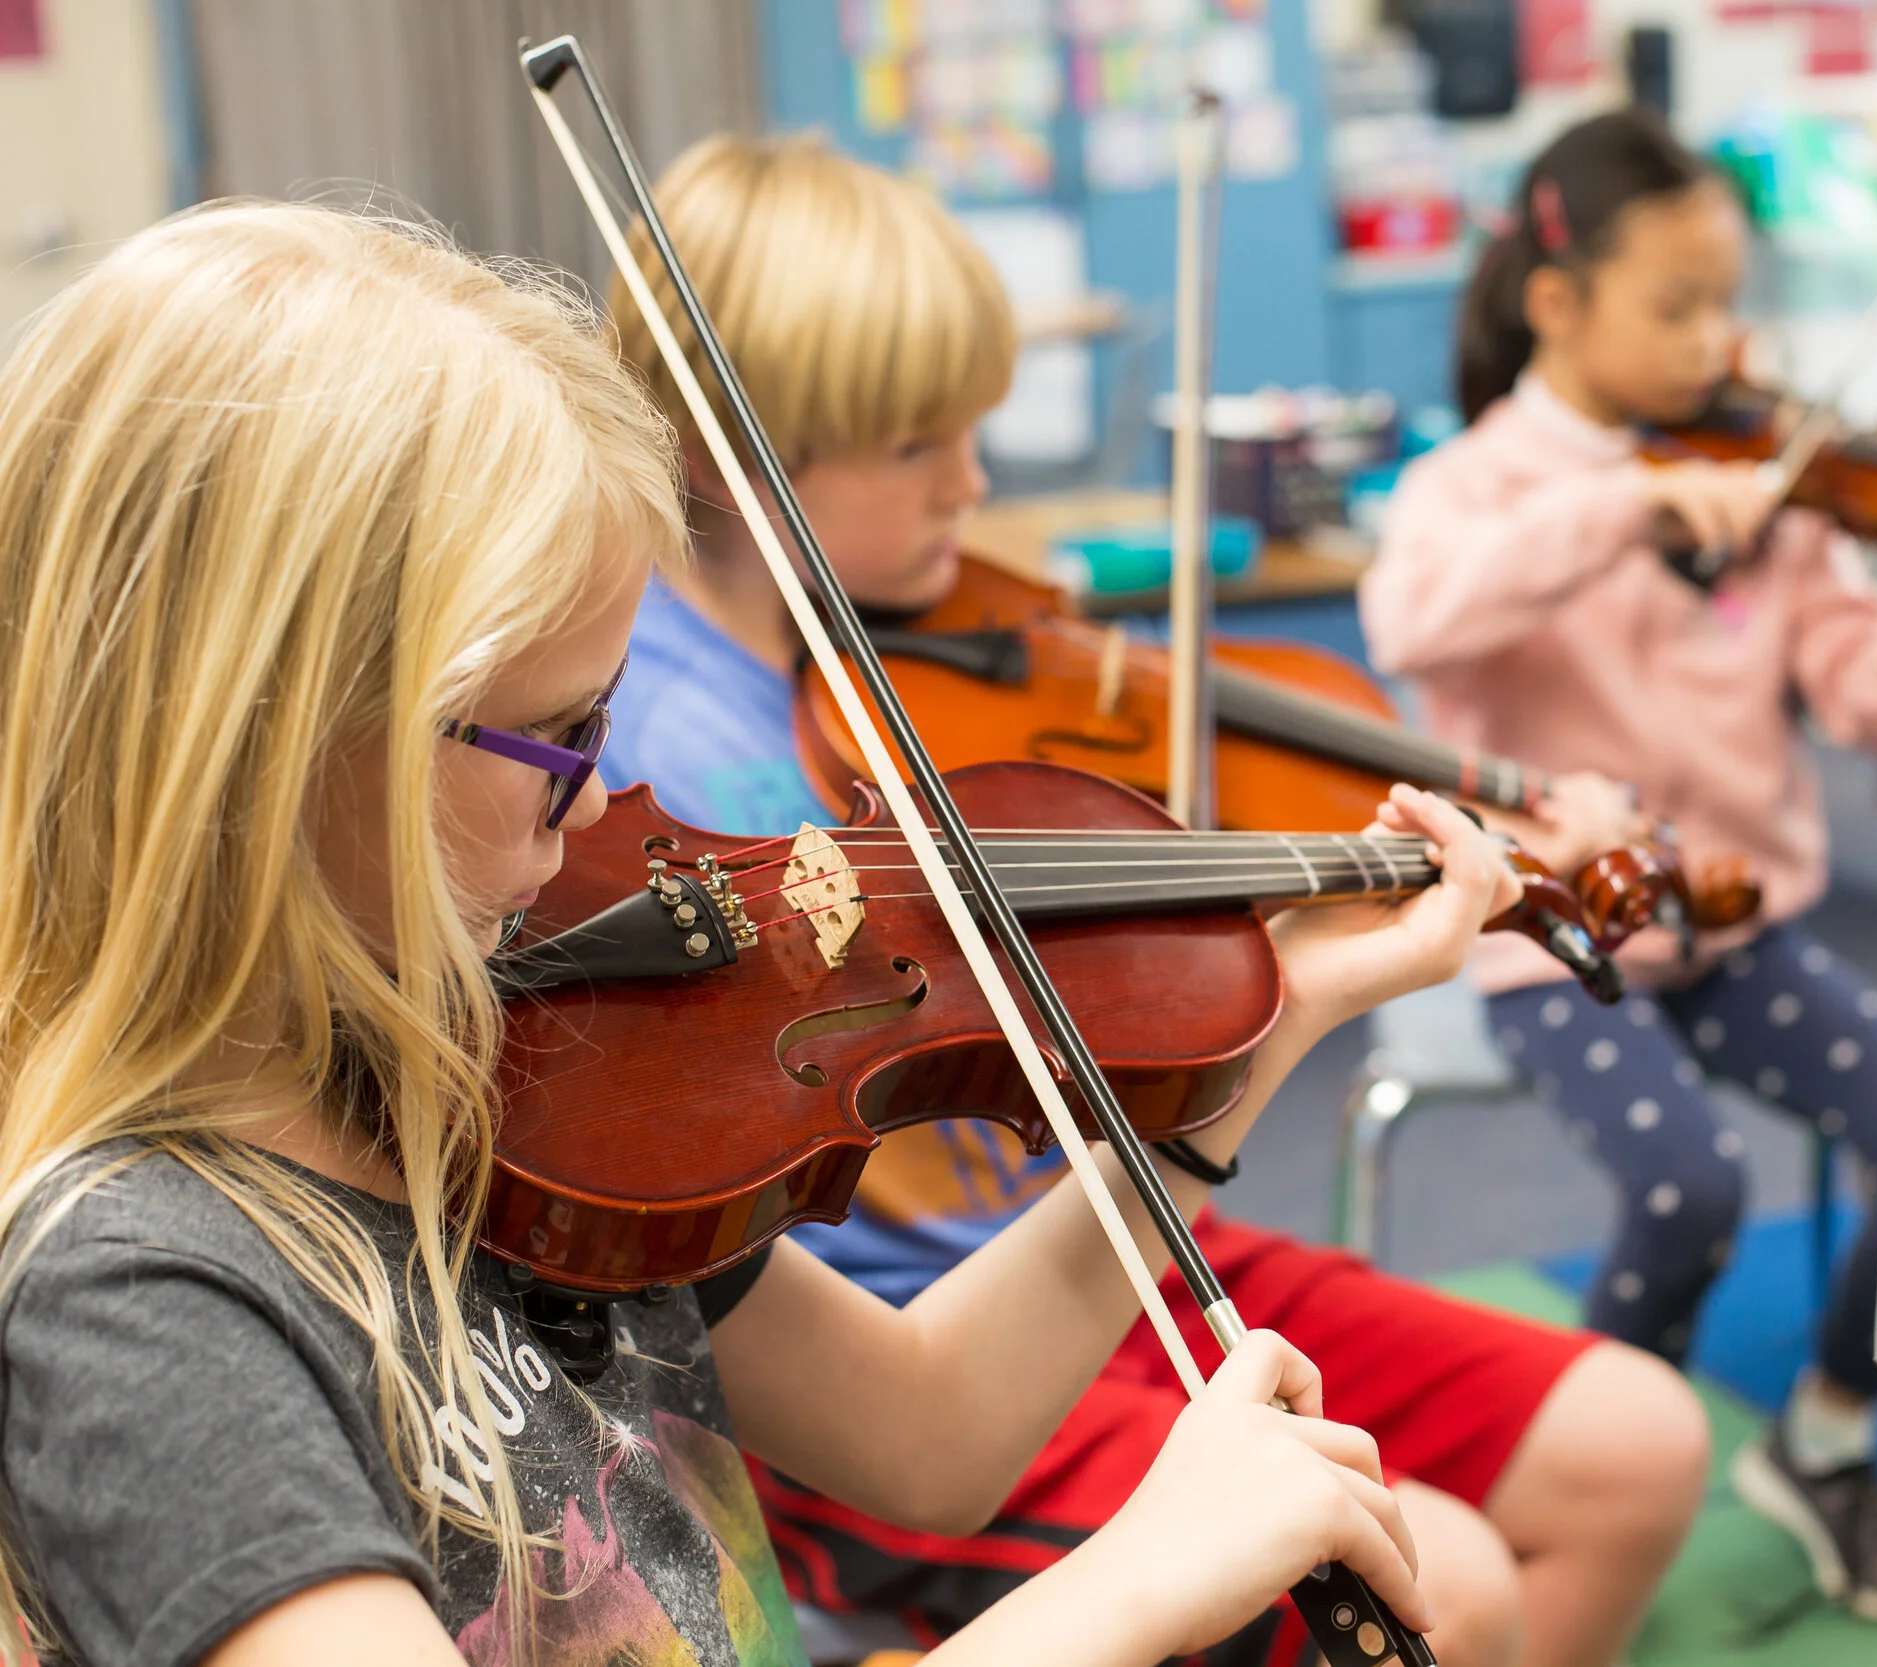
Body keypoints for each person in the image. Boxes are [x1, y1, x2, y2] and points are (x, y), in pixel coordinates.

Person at [0, 200, 1527, 1667]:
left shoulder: (494, 1078)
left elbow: (927, 1429)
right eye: (559, 732)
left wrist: (1268, 1019)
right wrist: (1132, 1580)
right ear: (270, 743)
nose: (600, 790)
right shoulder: (139, 1302)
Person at [598, 133, 1711, 1667]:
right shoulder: (651, 759)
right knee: (1435, 1579)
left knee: (1636, 1440)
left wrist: (1416, 856)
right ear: (734, 451)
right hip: (883, 1338)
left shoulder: (902, 645)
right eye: (919, 446)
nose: (975, 485)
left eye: (974, 431)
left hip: (1086, 1237)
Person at [1361, 110, 1877, 1624]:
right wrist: (1620, 506)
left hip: (1731, 926)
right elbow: (1411, 623)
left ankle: (1822, 1439)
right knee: (1689, 1184)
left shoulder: (1771, 481)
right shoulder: (1478, 487)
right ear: (1557, 299)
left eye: (1728, 302)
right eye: (1676, 306)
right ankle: (1580, 1484)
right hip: (1553, 935)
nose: (1719, 341)